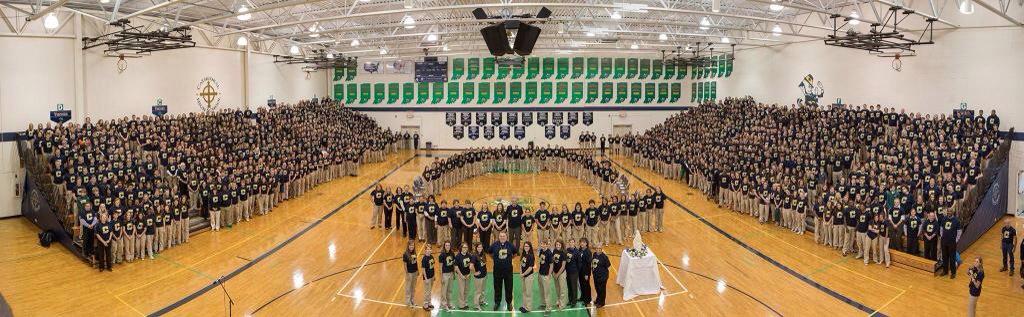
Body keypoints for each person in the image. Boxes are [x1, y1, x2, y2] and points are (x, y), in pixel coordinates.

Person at [488, 232, 517, 311]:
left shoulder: (510, 245)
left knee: (509, 287)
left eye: (503, 236)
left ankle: (509, 303)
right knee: (497, 286)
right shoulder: (495, 245)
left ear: (506, 237)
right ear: (499, 237)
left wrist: (508, 260)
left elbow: (515, 254)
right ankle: (497, 302)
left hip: (508, 270)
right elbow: (489, 253)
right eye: (500, 236)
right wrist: (495, 259)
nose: (502, 237)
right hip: (497, 270)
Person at [939, 210, 962, 278]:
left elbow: (959, 231)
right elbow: (941, 228)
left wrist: (956, 240)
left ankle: (953, 273)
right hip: (944, 242)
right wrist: (942, 236)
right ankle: (945, 271)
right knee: (944, 257)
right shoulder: (944, 219)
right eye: (948, 212)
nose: (949, 213)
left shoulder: (956, 221)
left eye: (950, 212)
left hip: (952, 243)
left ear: (953, 212)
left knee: (952, 258)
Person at [591, 242, 611, 308]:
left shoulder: (604, 257)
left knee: (601, 290)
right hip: (596, 276)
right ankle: (598, 300)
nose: (598, 249)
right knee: (597, 288)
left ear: (601, 249)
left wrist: (605, 276)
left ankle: (601, 302)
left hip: (602, 277)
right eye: (597, 248)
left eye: (599, 248)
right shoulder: (594, 254)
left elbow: (609, 266)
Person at [519, 241, 536, 314]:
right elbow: (521, 264)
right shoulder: (524, 254)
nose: (526, 247)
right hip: (523, 276)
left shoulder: (531, 256)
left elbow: (530, 268)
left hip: (528, 276)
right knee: (524, 291)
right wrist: (520, 272)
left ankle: (528, 308)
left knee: (528, 292)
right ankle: (524, 305)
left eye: (527, 246)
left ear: (530, 247)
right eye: (525, 246)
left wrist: (523, 274)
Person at [438, 241, 455, 310]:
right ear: (444, 246)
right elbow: (440, 267)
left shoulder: (452, 253)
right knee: (444, 290)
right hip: (445, 274)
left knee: (450, 290)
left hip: (451, 273)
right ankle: (444, 304)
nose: (447, 246)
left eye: (449, 245)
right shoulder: (442, 255)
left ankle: (449, 303)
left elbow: (453, 264)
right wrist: (441, 277)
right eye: (446, 245)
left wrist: (453, 273)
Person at [455, 242, 472, 310]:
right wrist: (461, 275)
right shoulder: (458, 256)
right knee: (461, 290)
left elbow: (471, 265)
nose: (465, 249)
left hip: (468, 275)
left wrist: (469, 273)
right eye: (464, 247)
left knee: (466, 290)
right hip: (461, 276)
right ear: (461, 248)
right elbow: (456, 267)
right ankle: (461, 305)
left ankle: (465, 303)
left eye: (466, 247)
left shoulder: (469, 255)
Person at [472, 242, 488, 310]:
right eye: (478, 247)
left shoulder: (483, 254)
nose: (480, 248)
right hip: (478, 277)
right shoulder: (474, 256)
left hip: (484, 275)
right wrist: (475, 272)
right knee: (478, 291)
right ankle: (476, 305)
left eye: (481, 247)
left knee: (482, 290)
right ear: (476, 248)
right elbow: (471, 266)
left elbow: (484, 263)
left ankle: (481, 301)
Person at [551, 240, 567, 310]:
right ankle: (559, 300)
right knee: (557, 288)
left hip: (561, 273)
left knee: (562, 288)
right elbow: (553, 261)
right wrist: (553, 272)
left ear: (562, 245)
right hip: (555, 272)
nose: (558, 246)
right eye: (557, 244)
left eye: (559, 245)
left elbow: (563, 266)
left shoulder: (563, 253)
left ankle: (562, 304)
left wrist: (557, 274)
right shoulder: (554, 251)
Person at [577, 238, 593, 306]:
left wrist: (587, 274)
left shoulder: (588, 252)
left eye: (583, 242)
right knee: (581, 285)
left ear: (586, 243)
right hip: (580, 271)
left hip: (585, 272)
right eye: (581, 242)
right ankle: (582, 297)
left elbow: (588, 264)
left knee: (586, 286)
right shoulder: (580, 250)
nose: (582, 243)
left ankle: (587, 299)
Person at [538, 240, 553, 311]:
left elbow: (551, 265)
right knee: (542, 290)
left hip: (546, 275)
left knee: (547, 292)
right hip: (540, 273)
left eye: (544, 244)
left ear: (547, 245)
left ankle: (548, 307)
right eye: (542, 244)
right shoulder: (541, 251)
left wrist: (549, 275)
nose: (543, 245)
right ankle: (543, 303)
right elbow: (540, 261)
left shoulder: (549, 253)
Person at [402, 241, 418, 307]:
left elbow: (415, 262)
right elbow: (405, 265)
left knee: (413, 287)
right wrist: (407, 273)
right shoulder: (405, 254)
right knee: (408, 287)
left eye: (413, 245)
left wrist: (417, 270)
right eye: (410, 245)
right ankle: (408, 301)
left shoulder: (414, 252)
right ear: (408, 246)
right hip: (409, 273)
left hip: (415, 272)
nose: (412, 247)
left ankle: (412, 300)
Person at [564, 239, 580, 308]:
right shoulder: (567, 250)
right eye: (570, 242)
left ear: (574, 243)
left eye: (572, 242)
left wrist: (576, 271)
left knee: (574, 287)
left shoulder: (577, 252)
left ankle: (574, 301)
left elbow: (579, 263)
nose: (571, 243)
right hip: (568, 271)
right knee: (569, 286)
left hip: (574, 272)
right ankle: (570, 300)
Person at [421, 244, 436, 311]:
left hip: (432, 276)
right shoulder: (424, 259)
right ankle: (425, 304)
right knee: (427, 291)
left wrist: (434, 275)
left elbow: (432, 267)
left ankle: (429, 303)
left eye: (430, 249)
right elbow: (423, 270)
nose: (429, 250)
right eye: (427, 249)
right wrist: (426, 278)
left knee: (430, 291)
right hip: (427, 278)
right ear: (425, 250)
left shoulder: (431, 257)